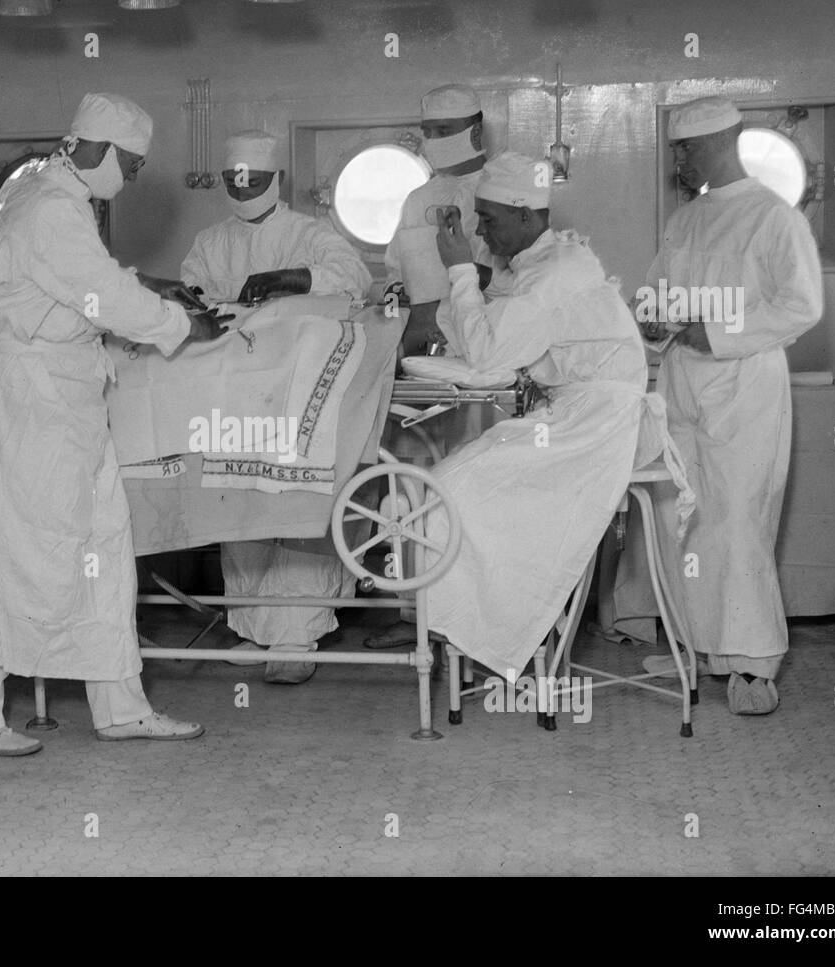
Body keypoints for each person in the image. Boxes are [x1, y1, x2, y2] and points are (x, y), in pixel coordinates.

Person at [0, 93, 224, 756]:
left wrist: (151, 283)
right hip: (37, 399)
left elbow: (74, 280)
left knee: (100, 547)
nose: (133, 177)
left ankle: (120, 706)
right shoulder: (54, 205)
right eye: (132, 165)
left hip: (60, 395)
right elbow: (101, 296)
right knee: (6, 548)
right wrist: (181, 324)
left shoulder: (42, 191)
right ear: (96, 148)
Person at [420, 153, 675, 686]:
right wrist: (473, 276)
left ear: (525, 216)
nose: (480, 230)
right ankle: (474, 633)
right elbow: (485, 328)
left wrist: (460, 268)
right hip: (579, 415)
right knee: (455, 488)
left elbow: (489, 354)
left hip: (595, 426)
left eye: (488, 219)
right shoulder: (544, 264)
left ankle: (482, 635)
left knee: (450, 491)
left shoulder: (555, 272)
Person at [624, 96, 824, 715]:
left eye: (687, 148)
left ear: (724, 141)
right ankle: (698, 646)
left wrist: (719, 332)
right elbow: (654, 293)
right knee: (680, 514)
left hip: (744, 385)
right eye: (675, 149)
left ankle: (754, 666)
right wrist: (650, 318)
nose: (678, 160)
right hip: (681, 380)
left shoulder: (773, 217)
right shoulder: (686, 219)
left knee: (739, 519)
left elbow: (802, 305)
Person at [180, 130, 373, 684]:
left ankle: (296, 634)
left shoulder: (310, 233)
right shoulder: (211, 241)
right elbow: (189, 298)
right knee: (241, 503)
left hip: (301, 394)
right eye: (234, 180)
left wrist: (290, 279)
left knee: (296, 505)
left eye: (255, 180)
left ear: (277, 180)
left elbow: (354, 277)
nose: (243, 189)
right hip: (235, 393)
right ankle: (251, 628)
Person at [384, 84, 495, 355]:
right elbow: (393, 275)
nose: (431, 141)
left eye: (443, 131)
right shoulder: (417, 199)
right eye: (427, 132)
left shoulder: (502, 191)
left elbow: (519, 282)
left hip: (486, 338)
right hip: (423, 343)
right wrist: (393, 303)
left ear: (476, 132)